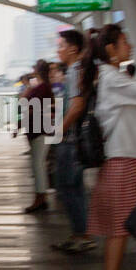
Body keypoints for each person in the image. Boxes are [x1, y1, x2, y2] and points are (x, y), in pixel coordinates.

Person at [85, 22, 136, 270]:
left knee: (122, 226)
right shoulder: (111, 79)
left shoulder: (113, 76)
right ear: (110, 49)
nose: (130, 46)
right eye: (125, 42)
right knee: (120, 226)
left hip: (126, 159)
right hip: (123, 159)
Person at [51, 28, 95, 253]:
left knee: (69, 188)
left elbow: (77, 106)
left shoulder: (76, 71)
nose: (57, 50)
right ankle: (79, 233)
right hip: (70, 139)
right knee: (70, 188)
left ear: (73, 48)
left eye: (60, 46)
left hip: (71, 141)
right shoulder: (74, 71)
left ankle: (83, 235)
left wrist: (60, 130)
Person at [21, 59, 53, 213]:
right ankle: (40, 197)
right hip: (35, 131)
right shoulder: (38, 86)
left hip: (41, 130)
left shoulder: (44, 87)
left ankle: (40, 199)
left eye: (34, 68)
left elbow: (29, 105)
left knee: (38, 165)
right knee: (37, 165)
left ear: (37, 70)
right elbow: (24, 100)